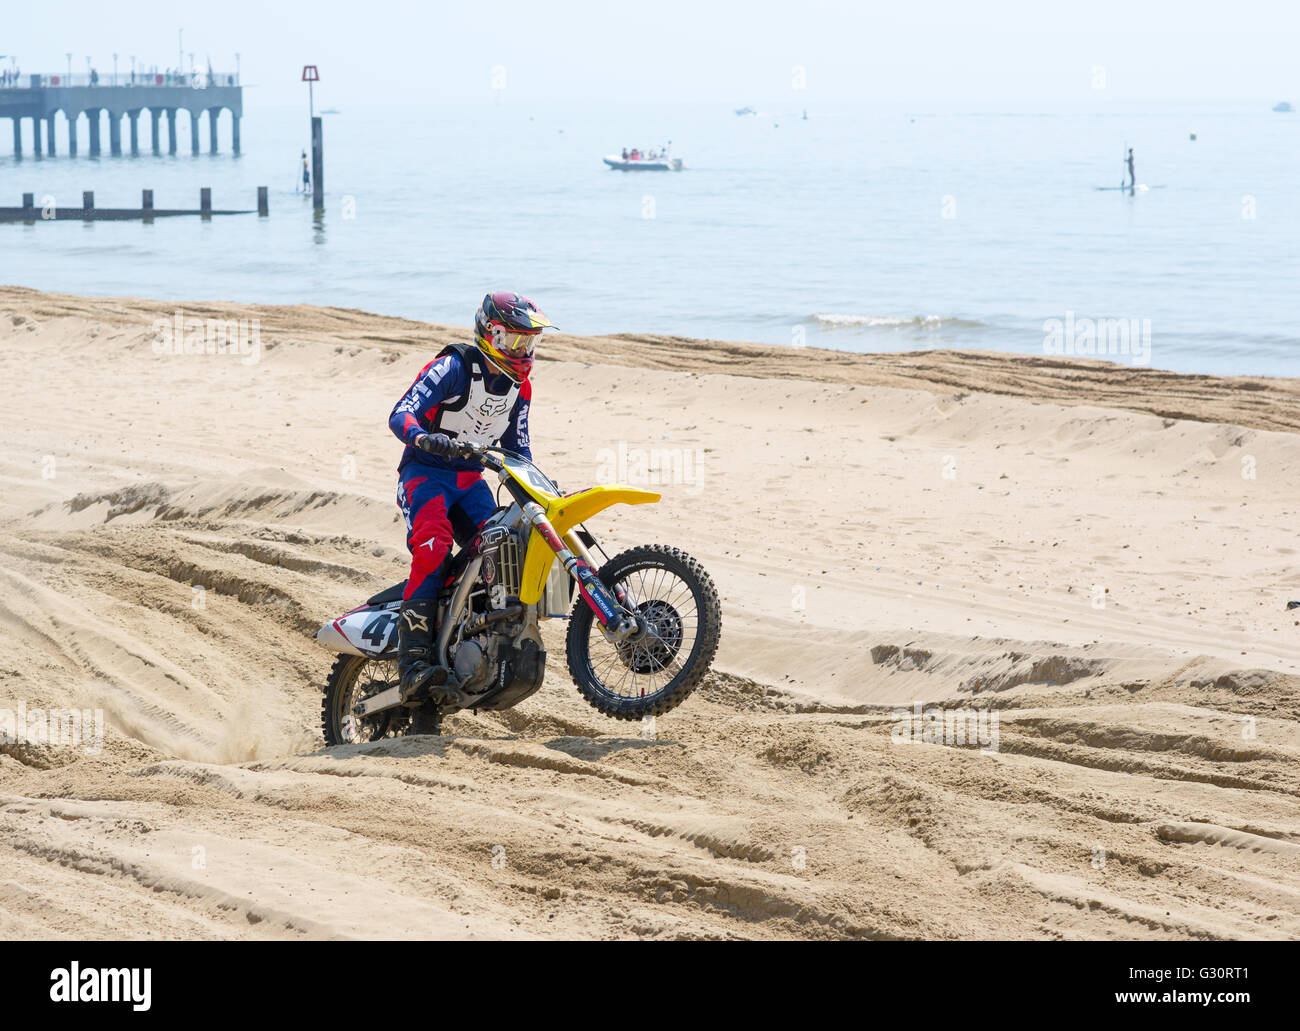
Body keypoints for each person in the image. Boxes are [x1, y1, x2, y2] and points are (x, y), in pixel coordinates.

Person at [387, 291, 553, 700]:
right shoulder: (454, 367)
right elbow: (401, 413)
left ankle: (474, 636)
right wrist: (423, 437)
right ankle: (412, 663)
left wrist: (538, 489)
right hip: (425, 475)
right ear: (489, 334)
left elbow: (518, 449)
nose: (522, 350)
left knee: (505, 546)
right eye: (515, 340)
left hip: (470, 480)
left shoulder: (520, 389)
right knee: (433, 545)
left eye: (529, 342)